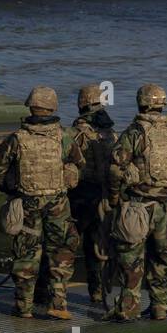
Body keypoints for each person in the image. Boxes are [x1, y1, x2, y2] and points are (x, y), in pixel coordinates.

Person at [107, 84, 167, 321]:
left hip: (137, 206)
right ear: (162, 105)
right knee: (162, 258)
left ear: (141, 103)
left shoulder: (135, 132)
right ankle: (160, 306)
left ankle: (128, 309)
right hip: (164, 208)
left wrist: (114, 197)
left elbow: (116, 167)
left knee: (131, 259)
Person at [0, 86, 84, 319]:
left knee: (26, 253)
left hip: (27, 203)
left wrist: (11, 189)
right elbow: (79, 163)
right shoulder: (64, 137)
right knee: (60, 251)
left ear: (30, 107)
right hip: (58, 204)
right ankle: (58, 303)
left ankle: (24, 307)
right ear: (53, 108)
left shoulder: (17, 138)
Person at [69, 84, 117, 309]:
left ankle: (51, 293)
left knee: (64, 245)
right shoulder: (110, 132)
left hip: (80, 195)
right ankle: (97, 294)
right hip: (103, 197)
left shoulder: (76, 132)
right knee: (97, 247)